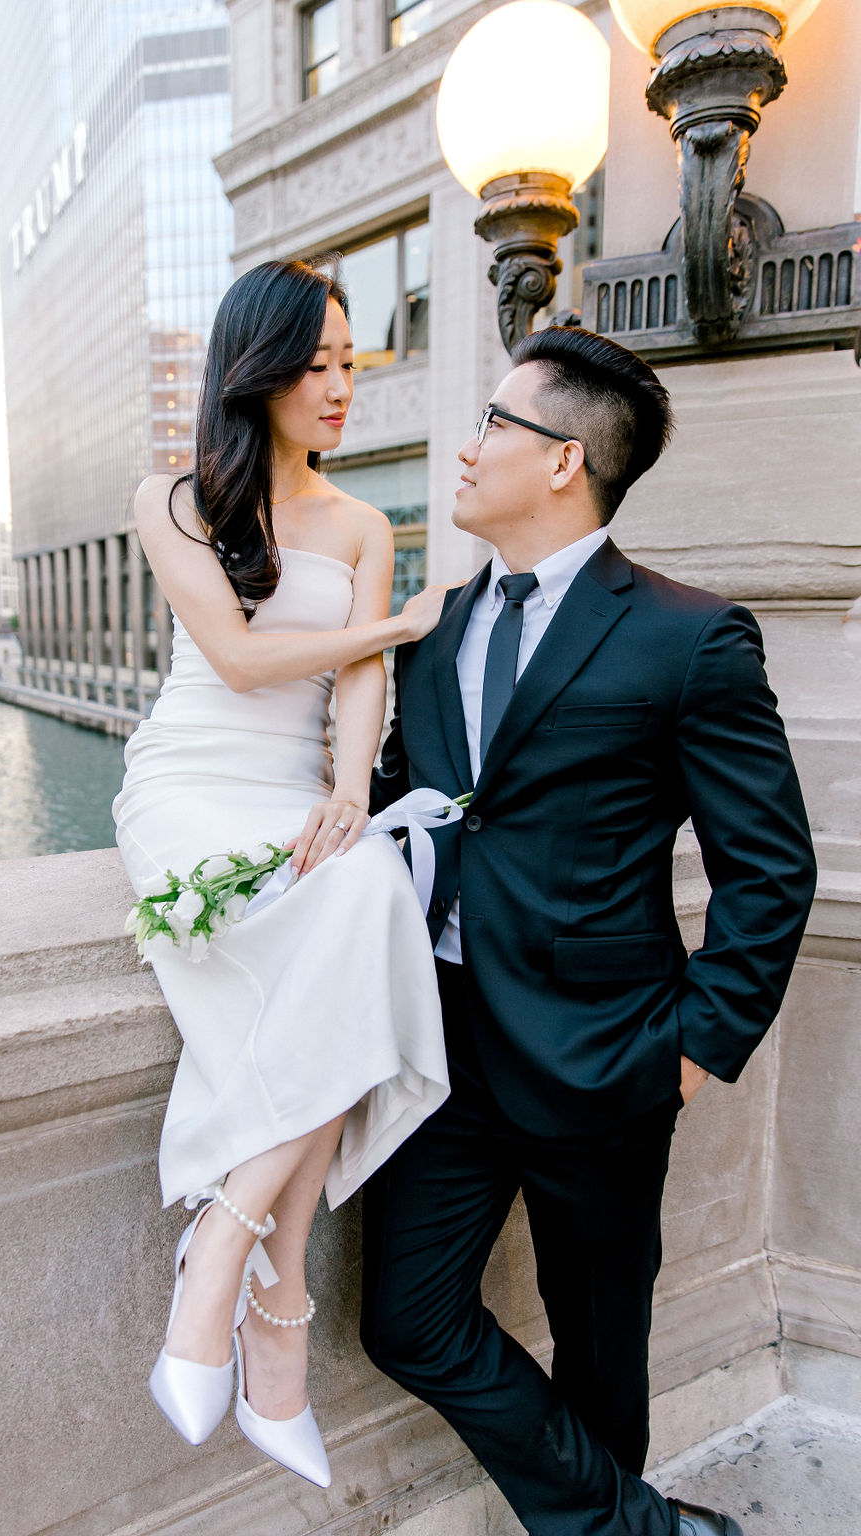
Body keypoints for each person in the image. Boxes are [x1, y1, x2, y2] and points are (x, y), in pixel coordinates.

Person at [362, 325, 817, 1536]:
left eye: (489, 427)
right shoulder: (438, 625)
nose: (463, 451)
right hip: (441, 1051)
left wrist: (692, 1046)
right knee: (407, 1319)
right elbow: (401, 800)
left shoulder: (688, 636)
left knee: (602, 1347)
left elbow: (768, 869)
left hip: (608, 1059)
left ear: (563, 459)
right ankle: (648, 1531)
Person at [112, 259, 450, 1488]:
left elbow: (355, 690)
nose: (338, 386)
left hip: (295, 796)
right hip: (191, 788)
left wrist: (351, 791)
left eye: (350, 364)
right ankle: (262, 1307)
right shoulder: (176, 499)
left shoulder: (363, 522)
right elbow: (246, 660)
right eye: (315, 364)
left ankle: (232, 1255)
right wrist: (399, 622)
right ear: (253, 371)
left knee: (362, 888)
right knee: (342, 961)